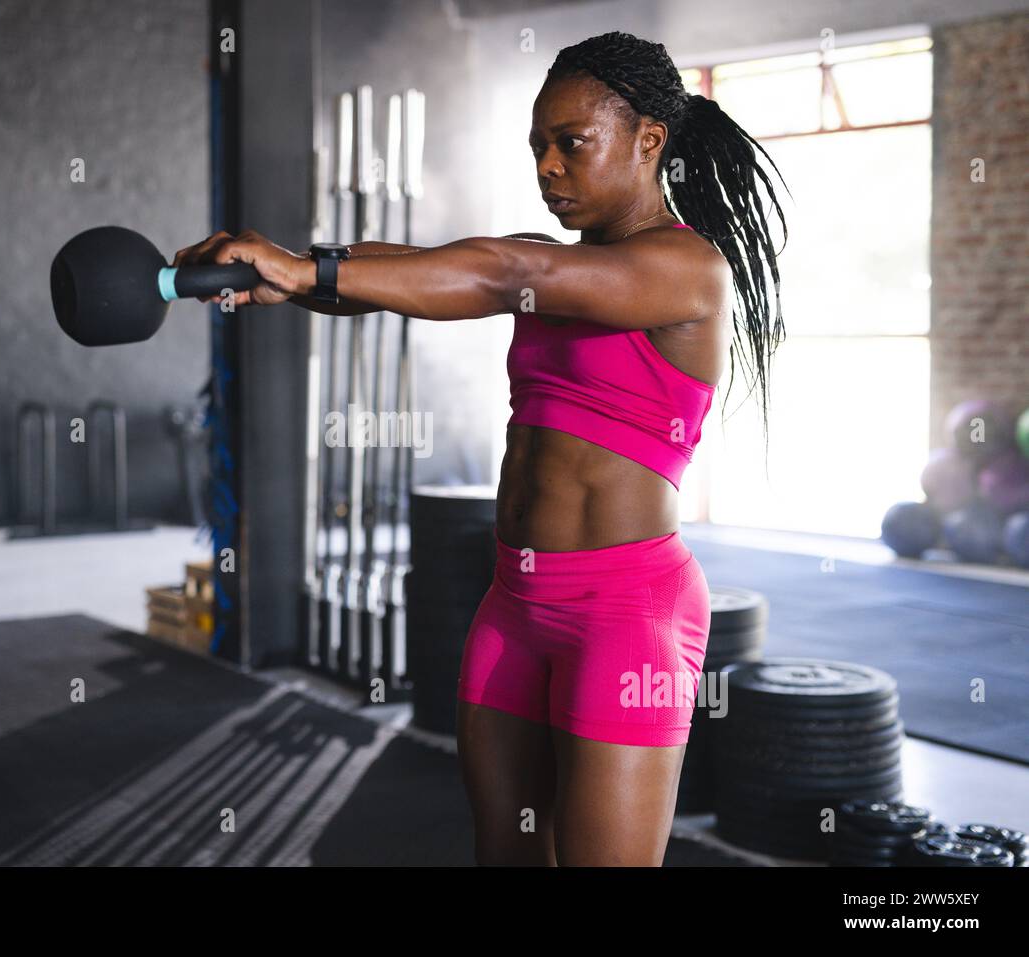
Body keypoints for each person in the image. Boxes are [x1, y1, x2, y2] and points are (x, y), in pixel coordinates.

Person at [173, 31, 788, 866]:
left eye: (572, 143)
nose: (548, 168)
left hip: (625, 614)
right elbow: (424, 269)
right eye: (538, 147)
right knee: (505, 852)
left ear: (650, 140)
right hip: (515, 603)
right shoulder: (559, 265)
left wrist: (302, 270)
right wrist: (283, 273)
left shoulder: (686, 268)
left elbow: (498, 272)